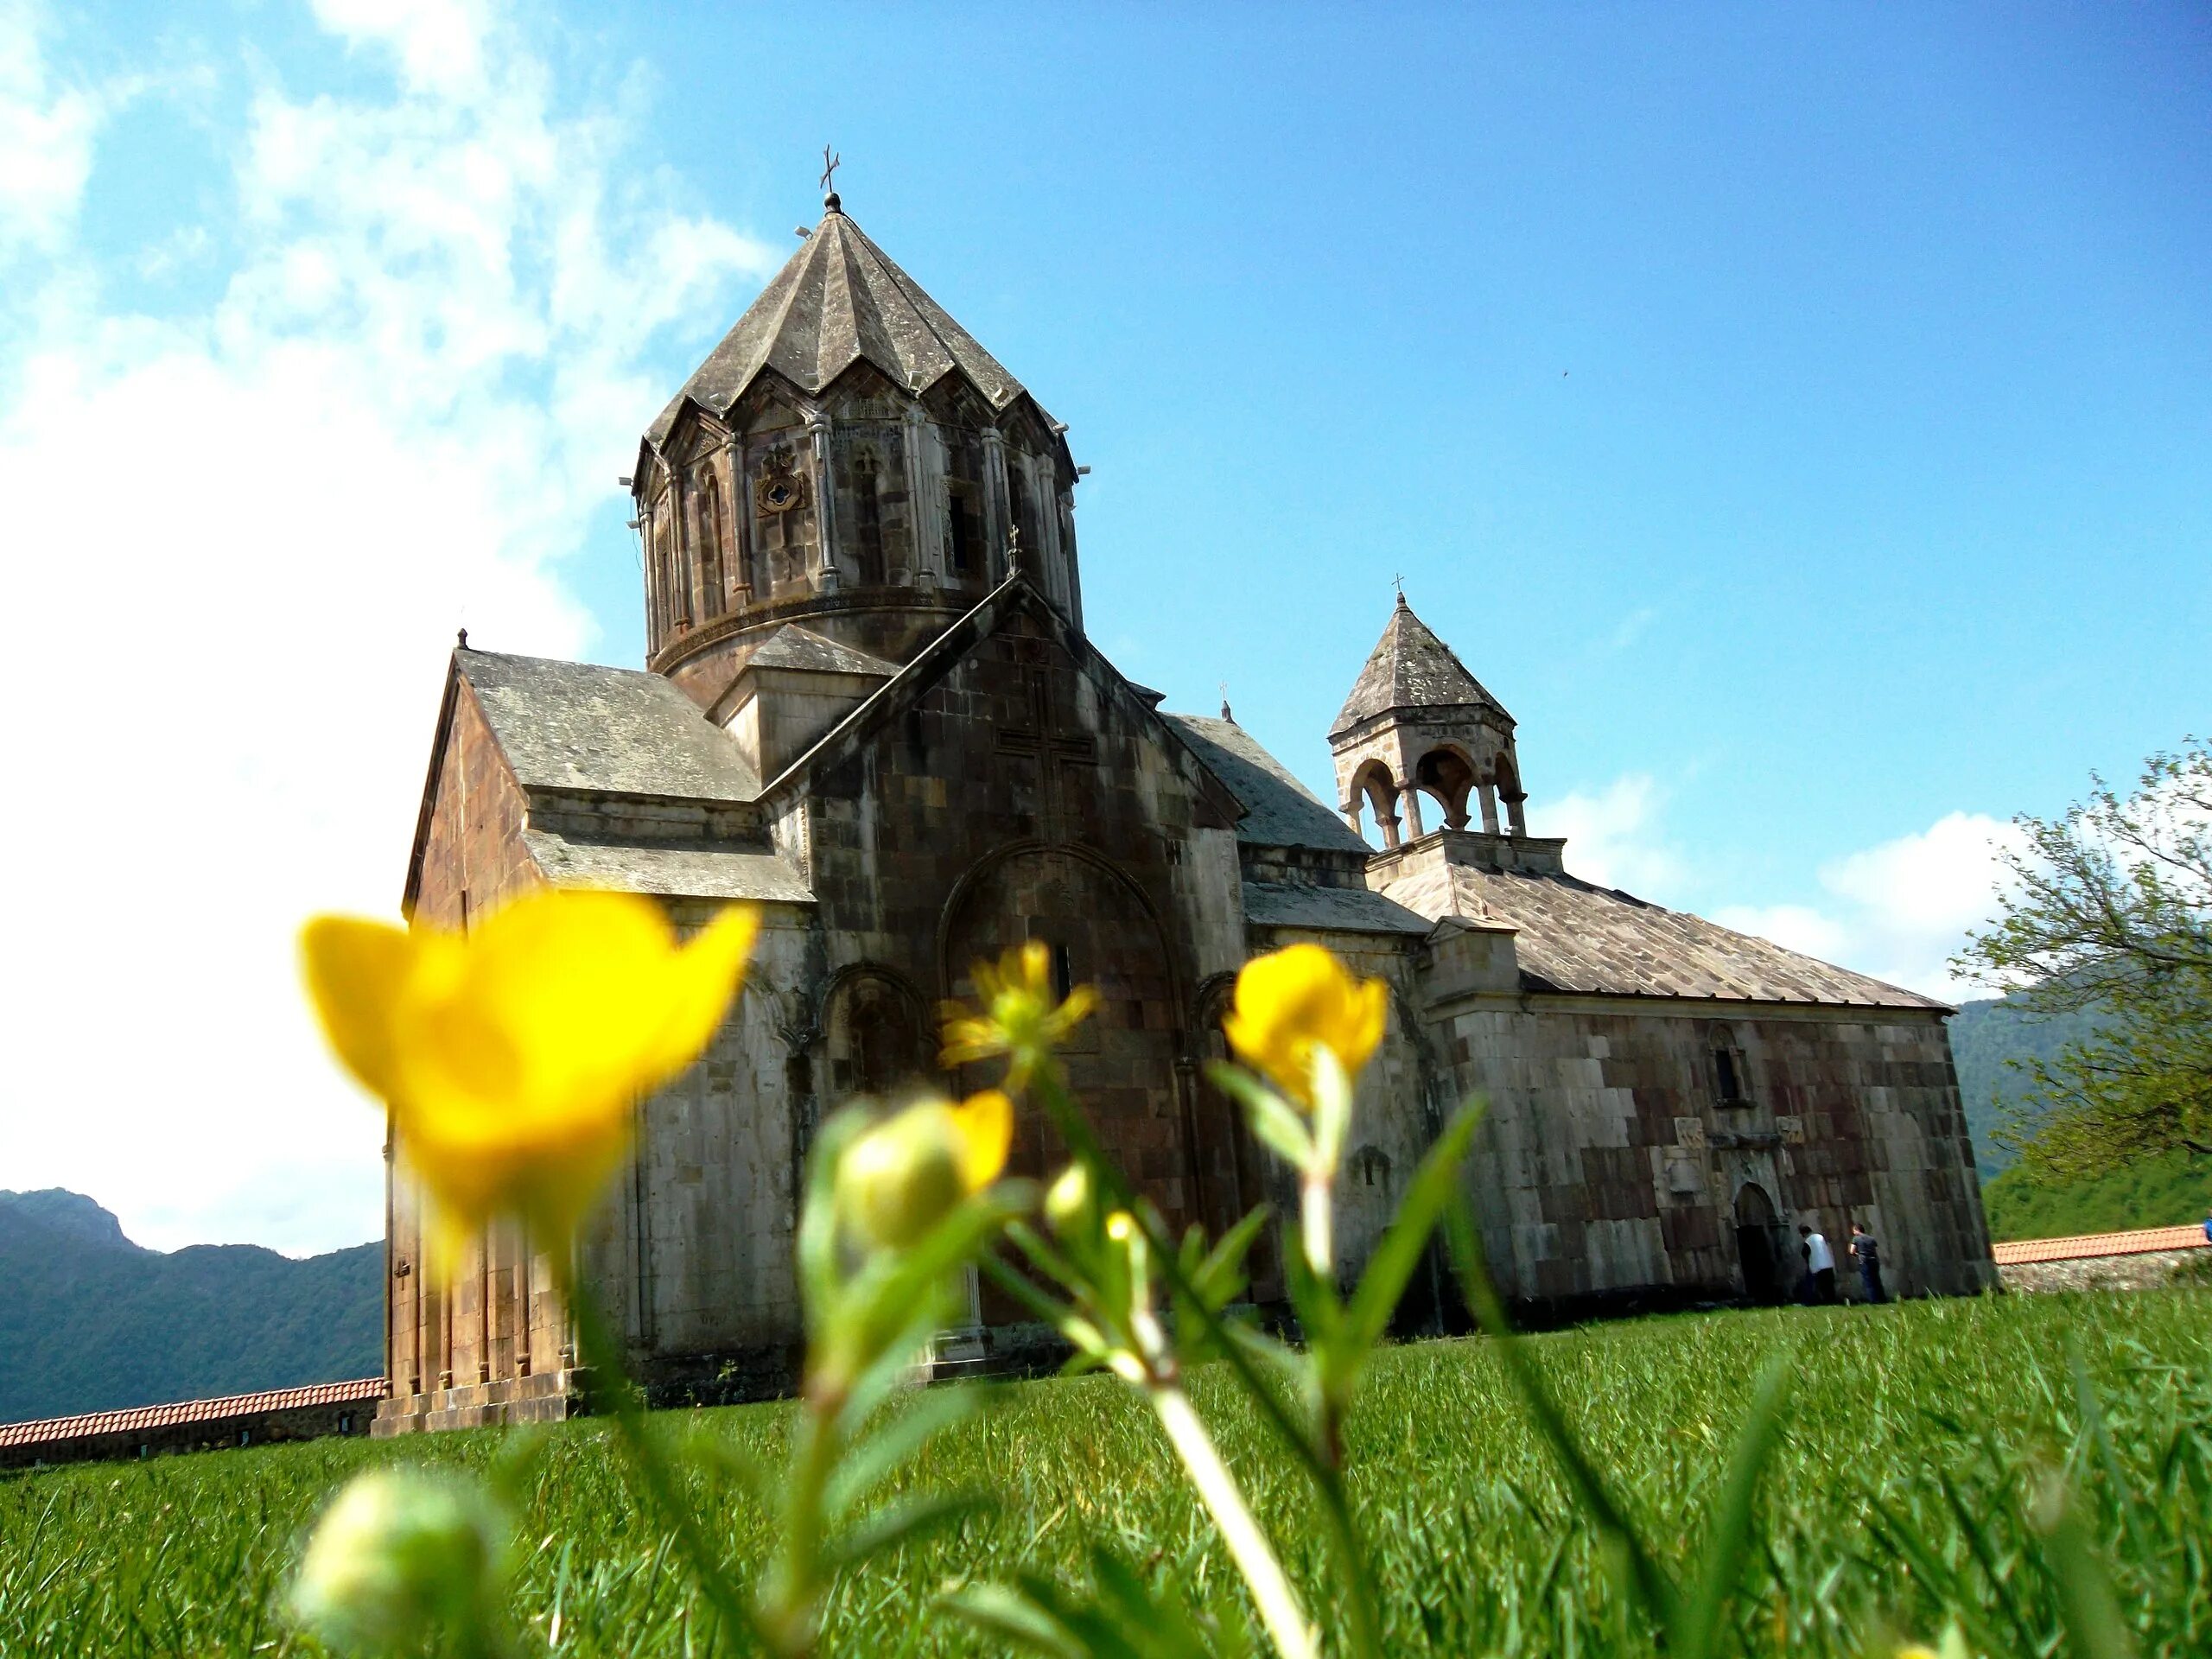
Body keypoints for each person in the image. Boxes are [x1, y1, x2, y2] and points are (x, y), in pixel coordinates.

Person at [1798, 1223, 1837, 1305]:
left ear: (1804, 1233)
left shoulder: (1808, 1241)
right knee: (1830, 1284)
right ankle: (1833, 1300)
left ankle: (1825, 1301)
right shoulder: (1820, 1237)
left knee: (1823, 1286)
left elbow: (1804, 1253)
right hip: (1828, 1263)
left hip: (1818, 1266)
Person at [1849, 1221, 1886, 1304]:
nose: (1853, 1232)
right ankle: (1882, 1298)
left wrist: (1857, 1254)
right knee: (1877, 1280)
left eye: (1854, 1230)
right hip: (1874, 1260)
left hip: (1864, 1261)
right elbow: (1874, 1248)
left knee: (1868, 1281)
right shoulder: (1871, 1238)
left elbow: (1852, 1251)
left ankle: (1874, 1300)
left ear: (1857, 1230)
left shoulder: (1856, 1238)